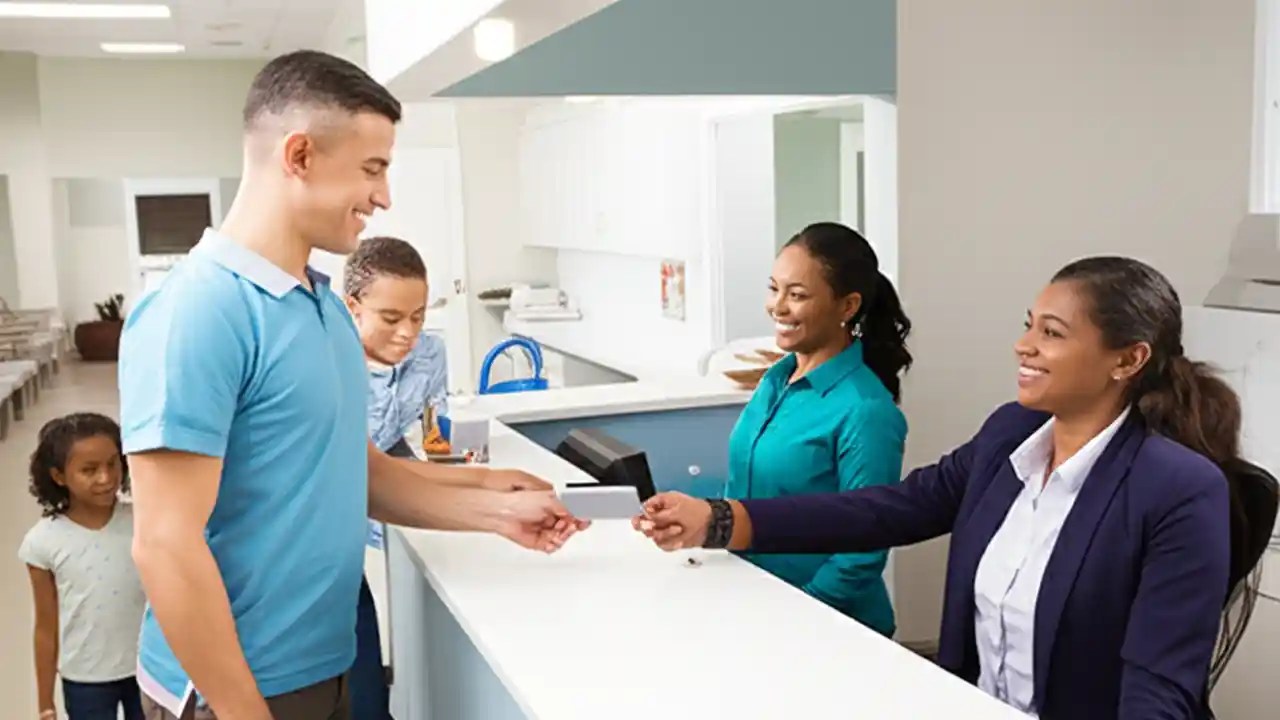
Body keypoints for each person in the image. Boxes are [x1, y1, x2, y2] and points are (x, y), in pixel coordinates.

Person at [118, 50, 586, 720]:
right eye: (372, 169)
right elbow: (164, 543)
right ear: (300, 155)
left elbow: (354, 473)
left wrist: (495, 511)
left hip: (322, 664)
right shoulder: (199, 310)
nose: (384, 196)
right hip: (230, 688)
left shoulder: (322, 308)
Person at [636, 256, 1277, 719]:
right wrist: (718, 520)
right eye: (1029, 324)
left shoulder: (1178, 488)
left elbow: (1158, 688)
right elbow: (891, 509)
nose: (1023, 345)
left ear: (1127, 359)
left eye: (1052, 333)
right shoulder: (1010, 436)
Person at [724, 222, 910, 636]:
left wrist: (800, 615)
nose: (778, 307)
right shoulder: (777, 379)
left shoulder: (865, 411)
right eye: (774, 289)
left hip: (826, 626)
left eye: (798, 295)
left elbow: (862, 549)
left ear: (847, 307)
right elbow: (745, 492)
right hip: (756, 605)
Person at [341, 235, 450, 719]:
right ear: (354, 307)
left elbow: (432, 428)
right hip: (342, 493)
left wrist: (449, 462)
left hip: (385, 474)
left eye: (418, 315)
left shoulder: (430, 354)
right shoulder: (329, 357)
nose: (408, 332)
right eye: (391, 318)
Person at [20, 413, 146, 720]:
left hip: (149, 669)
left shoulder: (143, 519)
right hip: (86, 678)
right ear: (59, 476)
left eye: (112, 464)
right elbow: (46, 629)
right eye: (89, 470)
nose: (105, 478)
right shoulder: (43, 542)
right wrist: (45, 702)